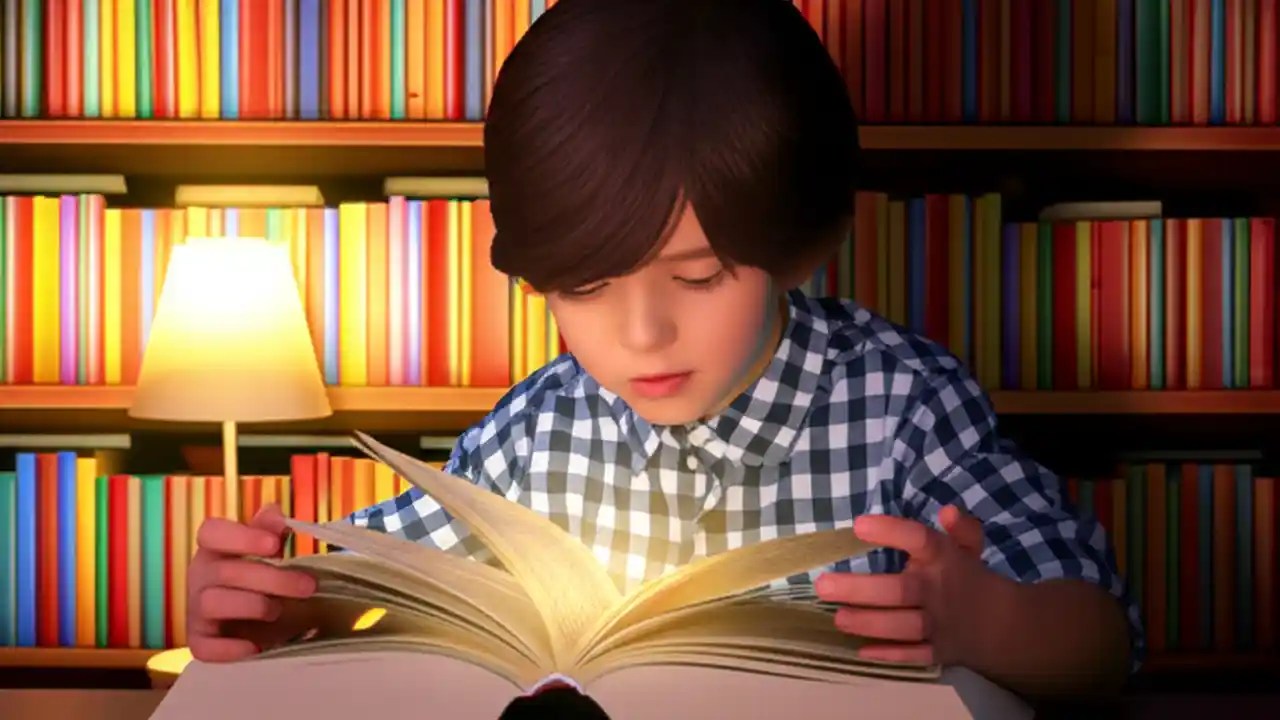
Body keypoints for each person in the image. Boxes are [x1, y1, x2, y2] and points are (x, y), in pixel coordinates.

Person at [185, 0, 1141, 701]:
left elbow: (1105, 642)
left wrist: (987, 620)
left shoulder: (902, 404)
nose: (641, 334)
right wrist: (286, 604)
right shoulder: (536, 429)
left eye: (700, 275)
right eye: (585, 288)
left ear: (793, 242)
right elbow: (388, 582)